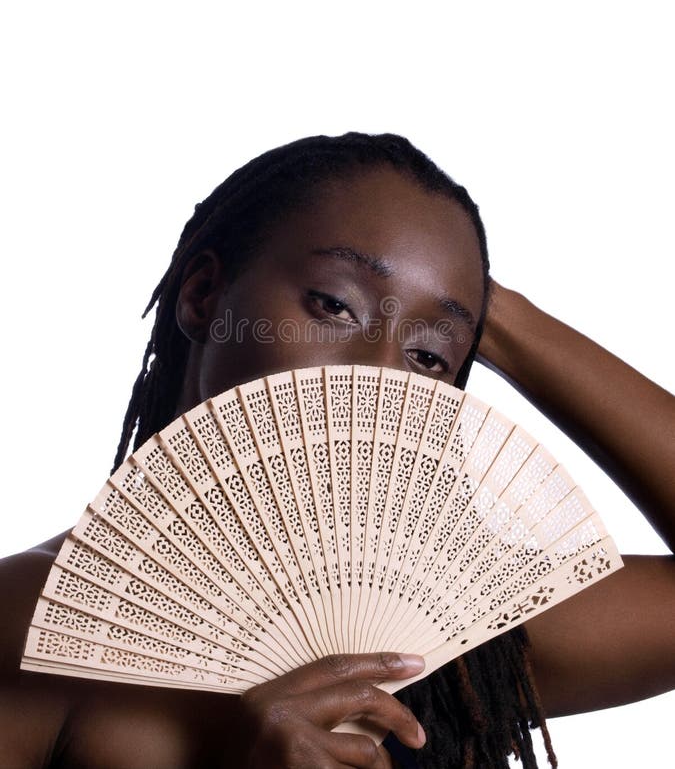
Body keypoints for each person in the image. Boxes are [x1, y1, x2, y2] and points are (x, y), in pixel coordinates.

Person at [1, 132, 673, 769]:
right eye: (333, 304)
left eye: (427, 358)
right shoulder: (22, 628)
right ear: (205, 295)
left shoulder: (448, 634)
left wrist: (491, 313)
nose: (374, 378)